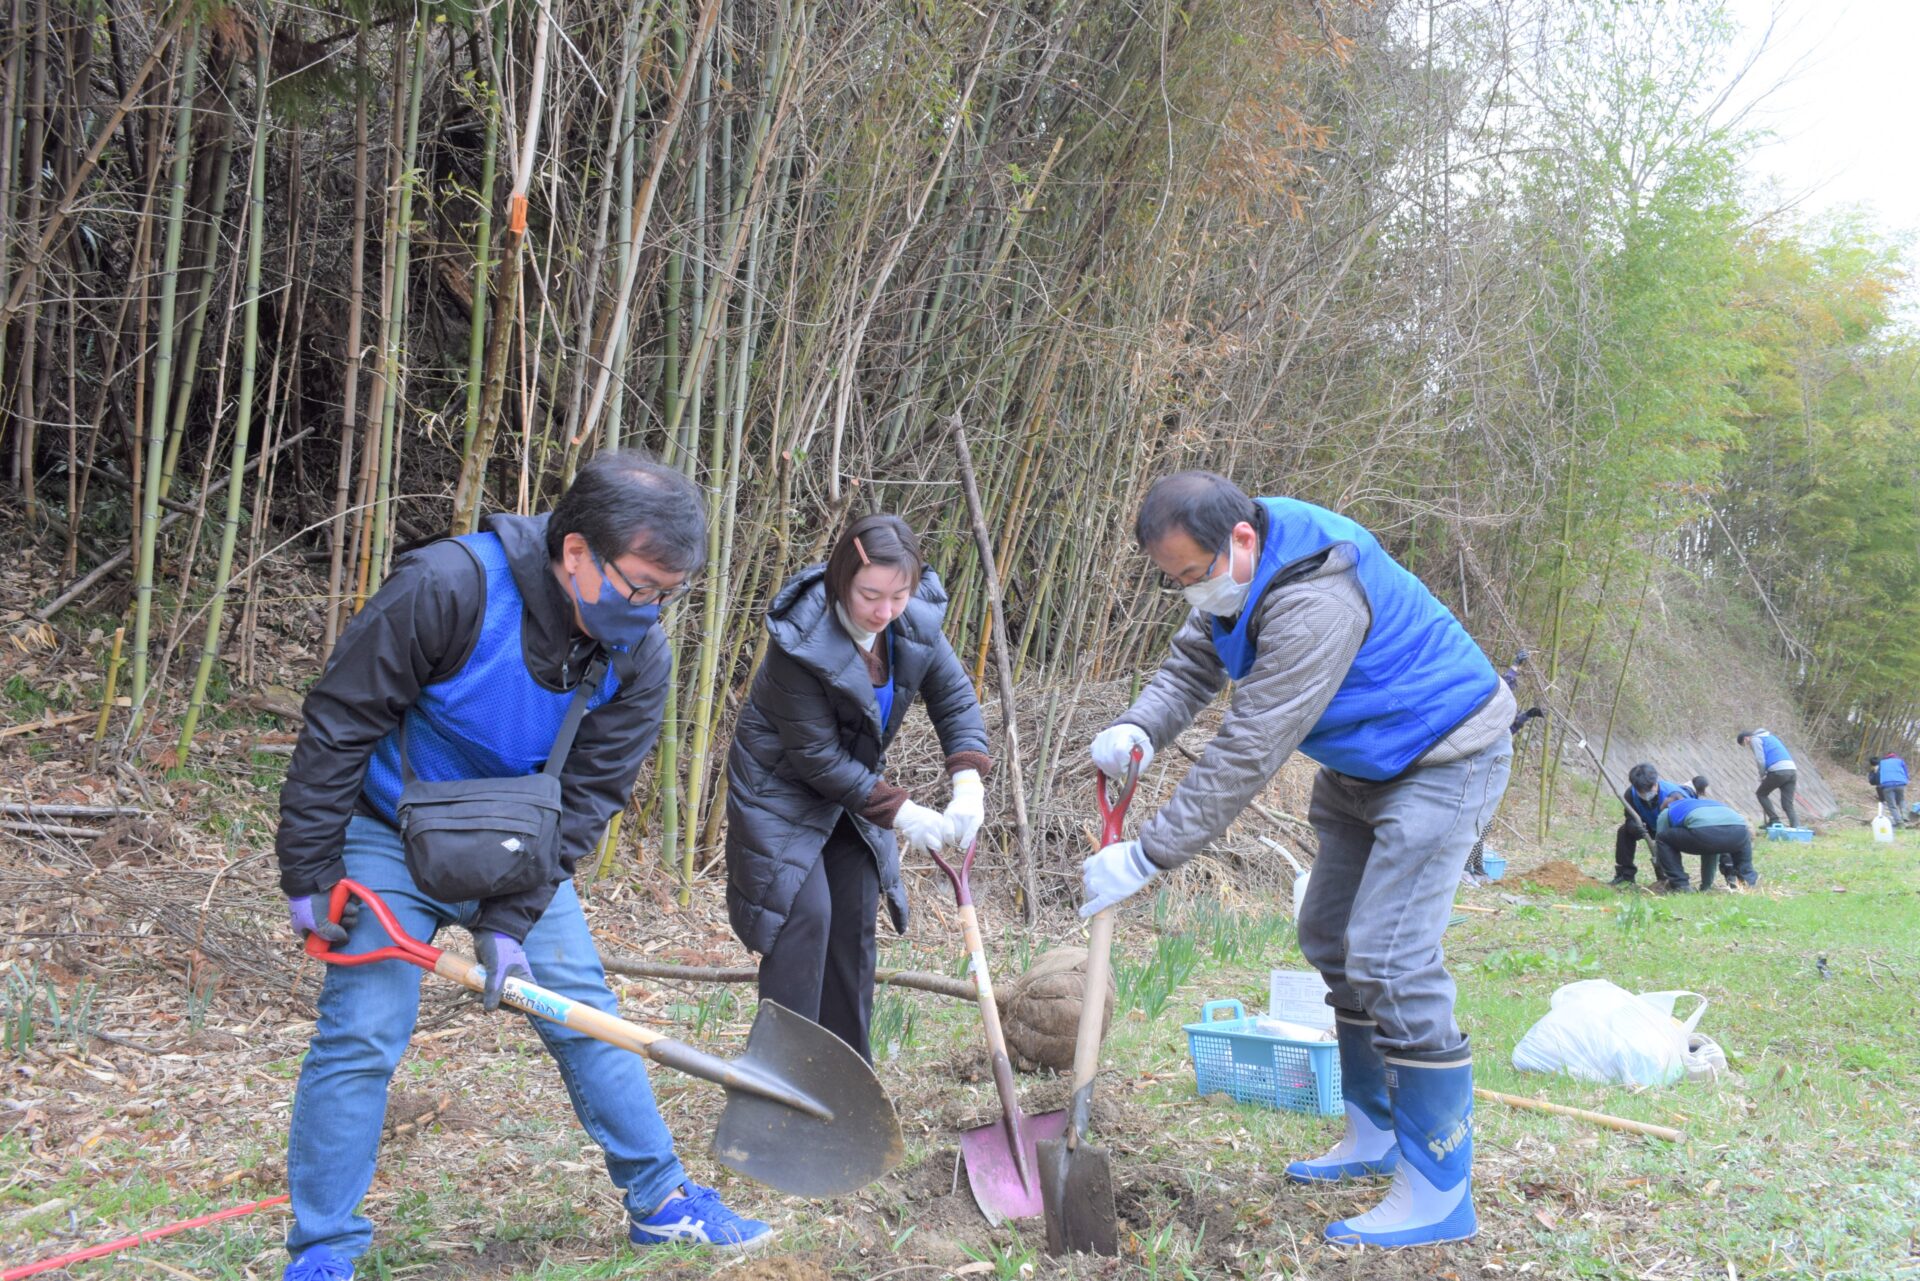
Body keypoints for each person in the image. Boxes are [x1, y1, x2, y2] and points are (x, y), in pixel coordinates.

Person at [274, 453, 771, 1280]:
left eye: (668, 594)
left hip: (518, 850)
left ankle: (662, 1202)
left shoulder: (639, 658)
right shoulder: (448, 588)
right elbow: (339, 723)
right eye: (639, 586)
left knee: (583, 1011)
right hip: (386, 832)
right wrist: (308, 868)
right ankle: (323, 1246)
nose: (649, 610)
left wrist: (508, 922)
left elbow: (586, 801)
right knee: (363, 1029)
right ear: (574, 551)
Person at [1081, 472, 1514, 1248]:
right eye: (1171, 579)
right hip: (1364, 763)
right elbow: (1194, 661)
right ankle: (1373, 1132)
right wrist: (1140, 725)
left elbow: (1250, 746)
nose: (1186, 592)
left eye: (1190, 575)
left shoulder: (1315, 598)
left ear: (1240, 542)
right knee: (1329, 934)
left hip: (1444, 756)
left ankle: (1440, 1187)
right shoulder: (1240, 570)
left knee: (1387, 955)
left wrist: (1148, 854)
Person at [724, 514, 989, 1063]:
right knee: (805, 918)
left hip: (854, 795)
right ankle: (782, 1080)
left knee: (853, 919)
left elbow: (956, 701)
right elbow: (817, 759)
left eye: (899, 595)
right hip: (780, 789)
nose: (885, 610)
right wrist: (906, 813)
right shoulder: (800, 640)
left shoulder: (911, 626)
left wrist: (968, 783)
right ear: (843, 578)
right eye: (871, 594)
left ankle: (846, 1076)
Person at [1655, 789, 1757, 891]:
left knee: (1663, 839)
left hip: (1705, 833)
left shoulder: (1668, 810)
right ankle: (1748, 882)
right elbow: (1711, 849)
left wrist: (1660, 868)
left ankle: (1681, 885)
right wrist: (1706, 887)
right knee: (1737, 839)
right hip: (1740, 831)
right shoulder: (1704, 803)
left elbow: (1660, 839)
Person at [1611, 764, 1694, 889]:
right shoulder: (1631, 794)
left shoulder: (1674, 795)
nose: (1647, 794)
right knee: (1624, 832)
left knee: (1666, 842)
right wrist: (1633, 826)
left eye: (1651, 788)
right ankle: (1625, 875)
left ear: (1656, 783)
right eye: (1642, 791)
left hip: (1674, 828)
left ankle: (1675, 879)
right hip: (1651, 827)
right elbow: (1629, 817)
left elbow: (1686, 820)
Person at [1737, 728, 1800, 828]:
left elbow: (1760, 759)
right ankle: (1796, 827)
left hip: (1778, 771)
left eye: (1745, 744)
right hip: (1792, 770)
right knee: (1787, 803)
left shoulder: (1755, 739)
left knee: (1761, 794)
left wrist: (1762, 775)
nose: (1748, 746)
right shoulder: (1770, 737)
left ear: (1746, 738)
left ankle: (1774, 820)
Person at [1868, 752, 1907, 827]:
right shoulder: (1899, 761)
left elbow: (1873, 781)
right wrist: (1905, 781)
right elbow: (1905, 772)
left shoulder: (1881, 765)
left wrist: (1874, 773)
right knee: (1901, 800)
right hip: (1900, 784)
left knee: (1891, 805)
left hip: (1885, 786)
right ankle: (1904, 815)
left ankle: (1898, 822)